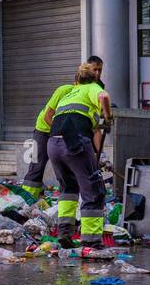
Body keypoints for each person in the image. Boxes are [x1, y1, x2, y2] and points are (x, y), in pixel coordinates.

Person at [21, 57, 104, 200]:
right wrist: (63, 132)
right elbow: (48, 116)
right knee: (36, 168)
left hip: (62, 134)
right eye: (94, 70)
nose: (97, 73)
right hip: (43, 130)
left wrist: (99, 155)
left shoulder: (94, 92)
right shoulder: (65, 90)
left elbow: (95, 129)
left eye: (99, 70)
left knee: (66, 175)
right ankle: (25, 202)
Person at [47, 62, 112, 246]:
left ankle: (64, 234)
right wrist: (108, 118)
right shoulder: (92, 87)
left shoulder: (71, 93)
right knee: (93, 190)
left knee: (69, 188)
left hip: (53, 143)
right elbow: (104, 97)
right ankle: (91, 242)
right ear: (94, 79)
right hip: (73, 142)